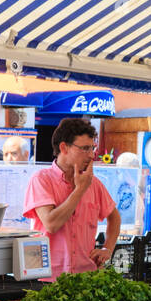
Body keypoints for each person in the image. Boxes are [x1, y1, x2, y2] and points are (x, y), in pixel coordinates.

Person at [22, 117, 121, 280]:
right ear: (64, 147)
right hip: (47, 277)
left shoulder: (94, 183)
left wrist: (107, 249)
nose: (91, 155)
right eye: (85, 148)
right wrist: (80, 190)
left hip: (85, 276)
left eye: (92, 148)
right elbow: (51, 224)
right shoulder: (41, 179)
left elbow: (114, 217)